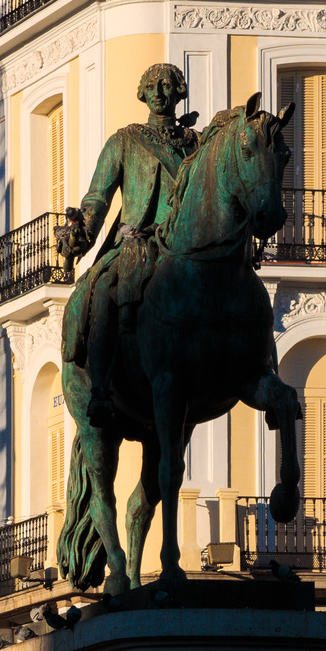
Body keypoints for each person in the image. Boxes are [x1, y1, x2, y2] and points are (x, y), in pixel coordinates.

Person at [57, 63, 200, 425]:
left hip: (185, 246)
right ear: (143, 94)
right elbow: (97, 199)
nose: (160, 92)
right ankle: (101, 391)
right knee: (105, 289)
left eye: (168, 85)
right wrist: (81, 233)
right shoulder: (125, 140)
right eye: (153, 86)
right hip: (137, 244)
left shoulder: (197, 144)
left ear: (179, 92)